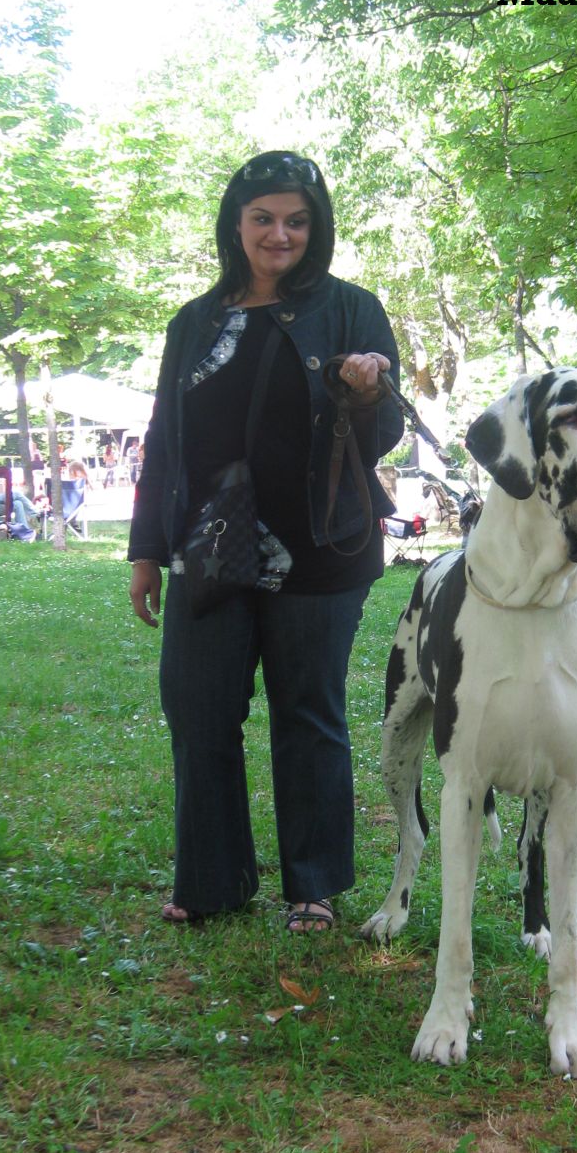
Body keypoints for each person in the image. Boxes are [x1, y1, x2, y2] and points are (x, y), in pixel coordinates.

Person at [128, 151, 403, 933]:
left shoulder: (351, 309)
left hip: (320, 551)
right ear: (236, 223)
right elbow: (163, 441)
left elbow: (381, 437)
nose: (278, 234)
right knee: (199, 708)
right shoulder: (195, 320)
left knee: (307, 712)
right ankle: (212, 878)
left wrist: (367, 389)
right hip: (209, 545)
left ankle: (311, 882)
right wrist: (147, 550)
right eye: (262, 218)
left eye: (295, 220)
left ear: (314, 230)